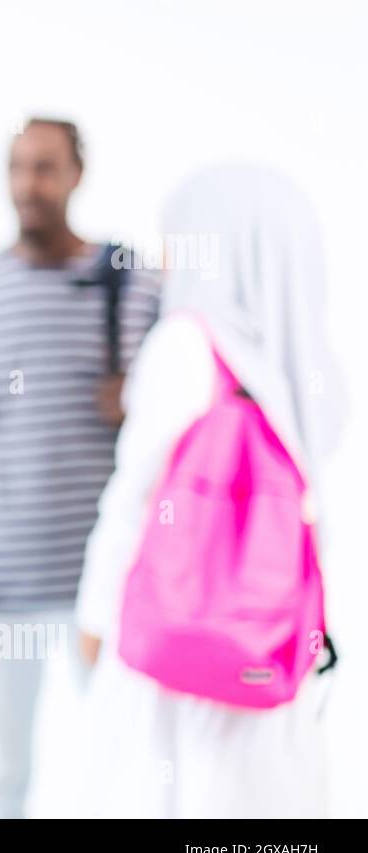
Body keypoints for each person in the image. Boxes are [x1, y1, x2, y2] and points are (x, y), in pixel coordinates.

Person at [74, 163, 345, 817]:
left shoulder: (186, 345)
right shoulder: (309, 369)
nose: (166, 261)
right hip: (269, 668)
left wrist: (91, 626)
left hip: (173, 675)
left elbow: (130, 504)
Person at [0, 118, 160, 817]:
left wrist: (137, 402)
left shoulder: (134, 283)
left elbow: (186, 408)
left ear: (77, 174)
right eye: (18, 167)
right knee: (1, 777)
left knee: (127, 764)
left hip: (109, 577)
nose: (29, 184)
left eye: (46, 167)